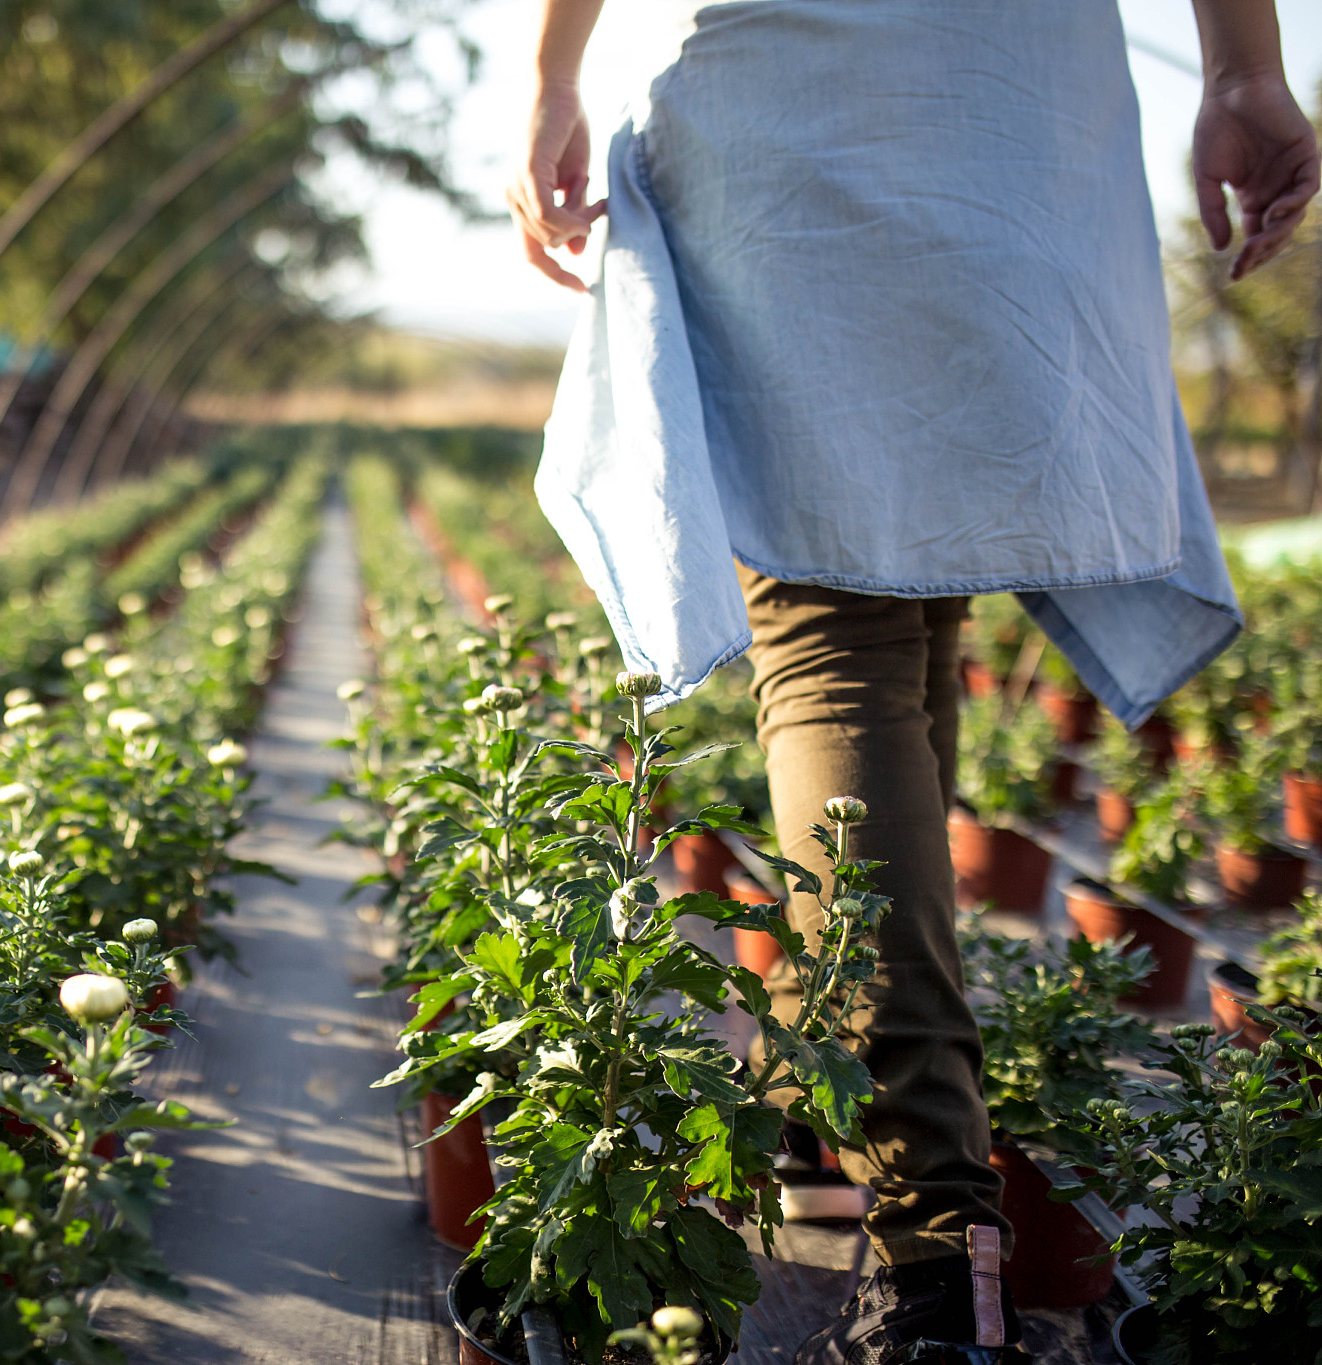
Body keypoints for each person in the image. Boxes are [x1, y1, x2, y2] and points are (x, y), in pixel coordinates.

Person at [508, 1, 1317, 1362]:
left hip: (793, 79)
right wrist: (1245, 67)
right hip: (1015, 93)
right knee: (903, 586)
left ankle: (935, 1233)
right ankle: (864, 1102)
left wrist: (549, 72)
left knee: (835, 638)